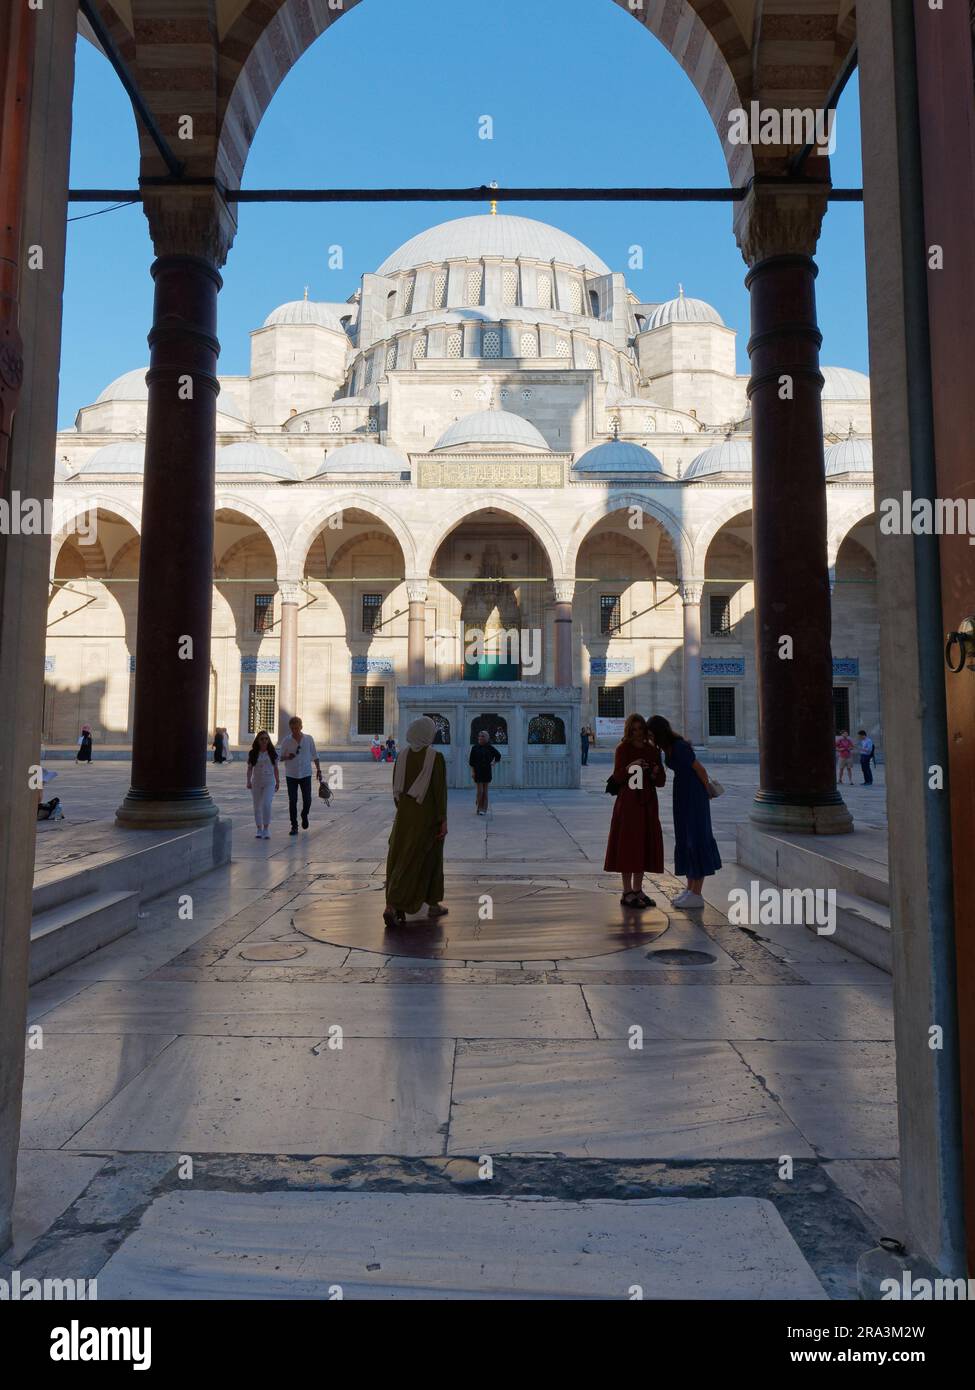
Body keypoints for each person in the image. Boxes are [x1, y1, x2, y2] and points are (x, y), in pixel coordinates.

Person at [648, 715, 721, 909]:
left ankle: (697, 893)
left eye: (651, 734)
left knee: (696, 837)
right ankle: (690, 889)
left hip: (694, 794)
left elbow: (699, 769)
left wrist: (707, 791)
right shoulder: (667, 748)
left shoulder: (679, 746)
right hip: (682, 792)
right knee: (686, 837)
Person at [384, 715, 448, 926]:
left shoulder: (401, 756)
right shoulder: (435, 758)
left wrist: (404, 811)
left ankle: (394, 904)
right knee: (429, 859)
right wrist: (442, 820)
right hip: (427, 817)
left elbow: (396, 789)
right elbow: (439, 792)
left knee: (400, 856)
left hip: (403, 815)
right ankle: (428, 904)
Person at [604, 713, 665, 908]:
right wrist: (631, 766)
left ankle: (638, 889)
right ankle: (627, 891)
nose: (638, 733)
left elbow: (661, 781)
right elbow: (618, 777)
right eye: (634, 730)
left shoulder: (652, 750)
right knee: (628, 844)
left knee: (644, 844)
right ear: (629, 730)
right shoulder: (623, 749)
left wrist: (654, 771)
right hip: (629, 803)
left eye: (640, 729)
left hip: (647, 802)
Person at [278, 716, 323, 835]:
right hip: (291, 774)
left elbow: (315, 755)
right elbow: (280, 757)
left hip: (305, 773)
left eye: (296, 728)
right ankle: (294, 826)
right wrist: (288, 757)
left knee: (307, 799)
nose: (294, 731)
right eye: (292, 729)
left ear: (301, 727)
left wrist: (319, 770)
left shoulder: (308, 739)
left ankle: (304, 814)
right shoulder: (286, 741)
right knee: (292, 800)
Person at [246, 730, 280, 839]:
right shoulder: (253, 753)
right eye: (262, 739)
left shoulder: (272, 753)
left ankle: (266, 828)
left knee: (266, 804)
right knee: (257, 806)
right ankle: (259, 828)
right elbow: (250, 768)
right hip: (256, 782)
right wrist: (248, 781)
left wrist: (278, 781)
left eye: (266, 739)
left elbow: (276, 769)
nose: (264, 741)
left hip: (269, 782)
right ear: (258, 741)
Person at [469, 728, 501, 815]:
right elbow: (471, 761)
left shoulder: (490, 747)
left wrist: (494, 762)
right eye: (479, 736)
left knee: (485, 792)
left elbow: (498, 755)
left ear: (487, 738)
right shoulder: (475, 748)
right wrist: (473, 772)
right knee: (480, 791)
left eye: (483, 736)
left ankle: (484, 809)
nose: (480, 737)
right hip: (478, 771)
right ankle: (478, 807)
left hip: (487, 771)